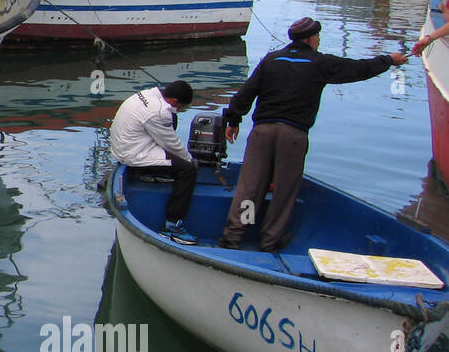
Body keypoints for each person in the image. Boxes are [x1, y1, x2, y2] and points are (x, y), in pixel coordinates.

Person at [217, 17, 408, 251]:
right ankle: (269, 240)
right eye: (317, 37)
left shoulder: (272, 60)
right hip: (293, 135)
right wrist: (388, 60)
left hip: (262, 133)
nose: (318, 40)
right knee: (284, 192)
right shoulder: (319, 63)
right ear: (309, 39)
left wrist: (233, 120)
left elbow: (246, 92)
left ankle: (235, 236)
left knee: (250, 187)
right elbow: (358, 69)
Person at [110, 79, 198, 244]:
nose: (179, 110)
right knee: (187, 171)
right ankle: (173, 225)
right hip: (133, 153)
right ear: (174, 101)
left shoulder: (147, 94)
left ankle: (152, 173)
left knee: (172, 152)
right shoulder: (159, 111)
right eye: (181, 107)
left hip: (123, 146)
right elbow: (172, 144)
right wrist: (190, 161)